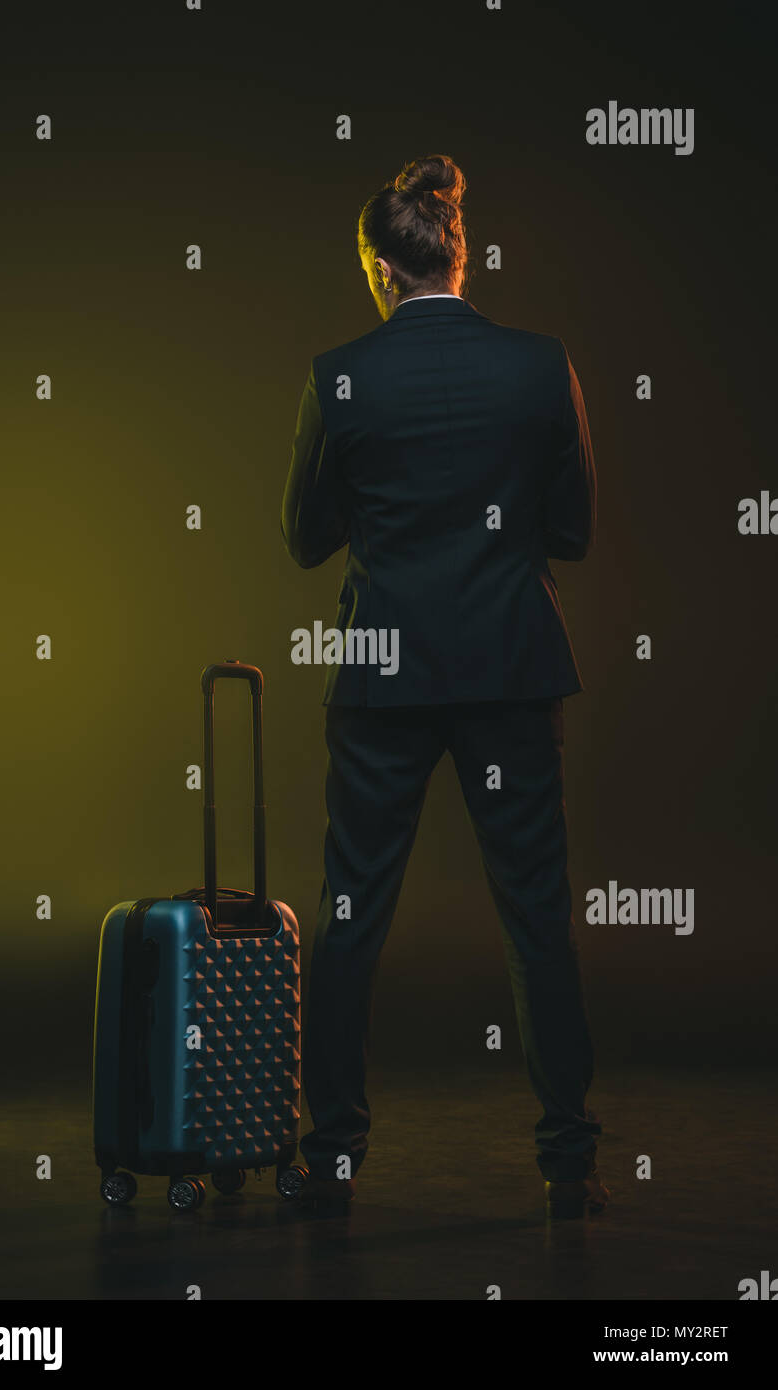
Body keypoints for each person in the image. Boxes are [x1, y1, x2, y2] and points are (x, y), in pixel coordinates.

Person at [281, 154, 608, 1215]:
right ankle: (569, 1164)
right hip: (512, 668)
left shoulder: (340, 375)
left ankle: (331, 1159)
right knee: (537, 918)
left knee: (349, 913)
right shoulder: (542, 363)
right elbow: (572, 531)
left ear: (381, 270)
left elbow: (304, 539)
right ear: (461, 255)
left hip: (384, 676)